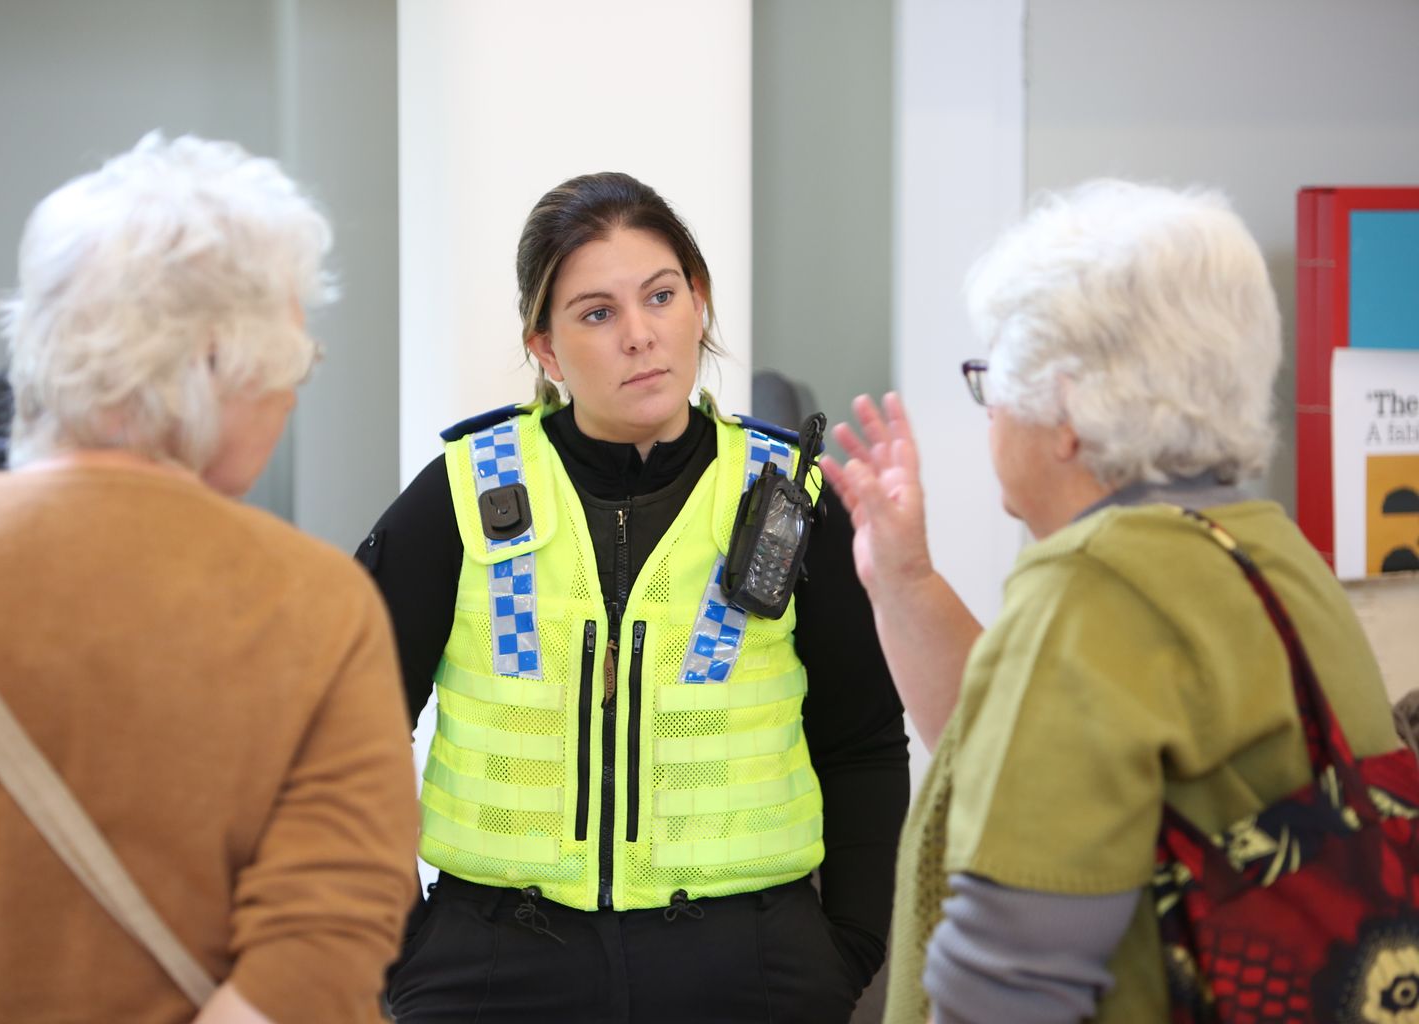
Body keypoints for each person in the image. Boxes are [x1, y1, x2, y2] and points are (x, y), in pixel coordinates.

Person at [823, 180, 1402, 1023]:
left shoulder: (1092, 591)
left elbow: (1007, 986)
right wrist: (903, 577)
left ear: (1064, 413)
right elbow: (1010, 765)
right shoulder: (1267, 552)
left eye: (993, 382)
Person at [0, 133, 420, 1024]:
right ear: (219, 365)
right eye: (294, 360)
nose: (292, 395)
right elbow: (314, 966)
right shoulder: (314, 607)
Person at [357, 171, 911, 1023]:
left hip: (750, 966)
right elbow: (351, 732)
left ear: (699, 304)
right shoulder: (466, 492)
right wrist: (397, 947)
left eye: (660, 297)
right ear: (545, 348)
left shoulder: (788, 495)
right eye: (597, 313)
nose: (640, 336)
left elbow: (864, 741)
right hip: (498, 965)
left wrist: (849, 947)